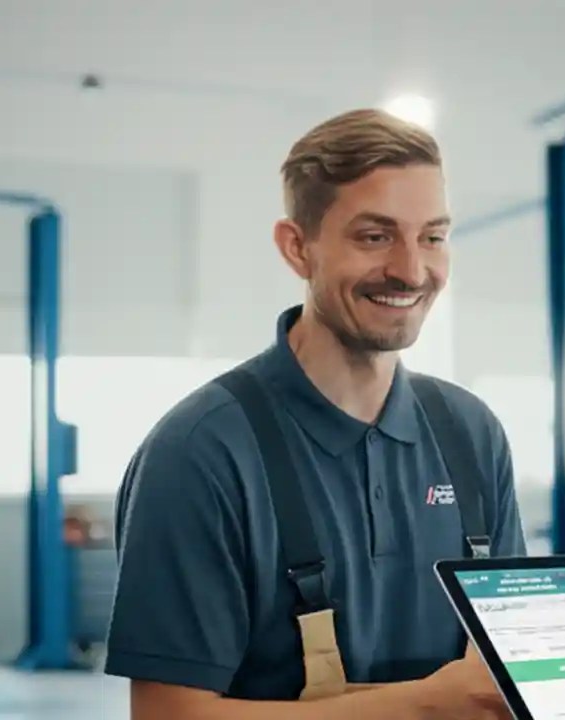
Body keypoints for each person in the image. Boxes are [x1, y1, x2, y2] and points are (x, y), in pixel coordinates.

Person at [105, 109, 525, 719]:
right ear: (297, 247)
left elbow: (508, 667)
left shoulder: (471, 433)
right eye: (375, 236)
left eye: (432, 236)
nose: (412, 270)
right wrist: (425, 707)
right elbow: (169, 716)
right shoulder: (202, 452)